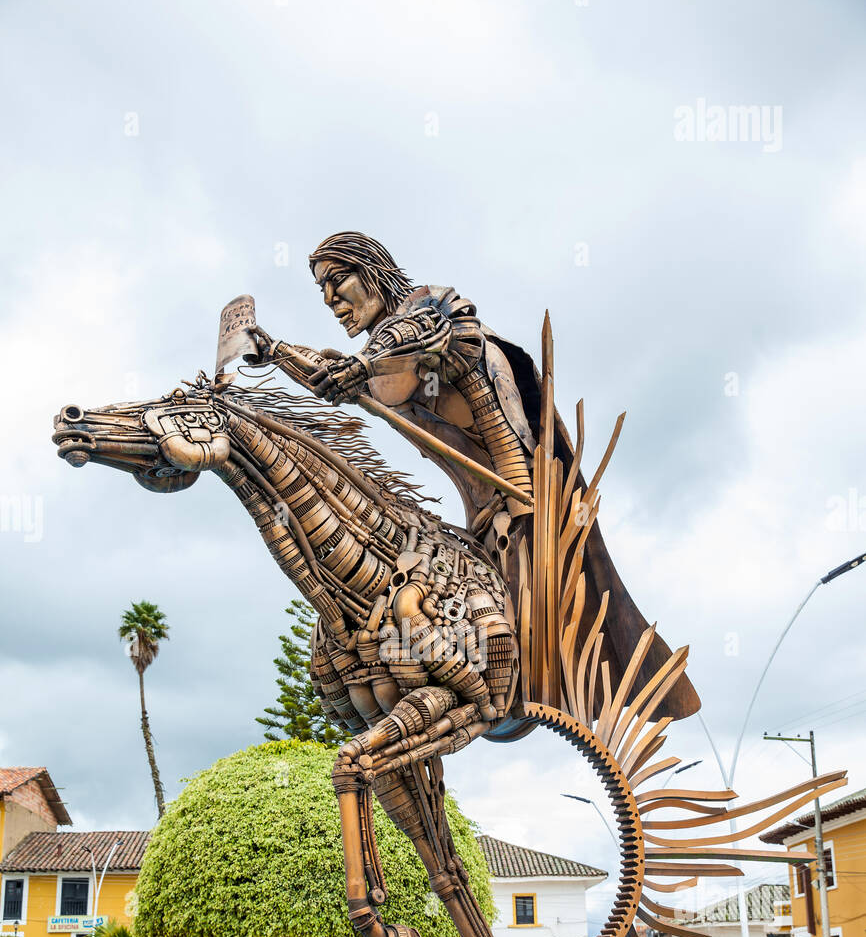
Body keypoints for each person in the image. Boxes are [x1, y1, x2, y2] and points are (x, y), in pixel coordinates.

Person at [253, 232, 699, 721]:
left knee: (534, 624)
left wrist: (360, 364)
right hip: (483, 513)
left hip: (527, 500)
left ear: (372, 269)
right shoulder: (377, 364)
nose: (331, 300)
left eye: (338, 281)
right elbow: (332, 372)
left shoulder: (434, 309)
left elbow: (434, 334)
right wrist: (271, 349)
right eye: (322, 291)